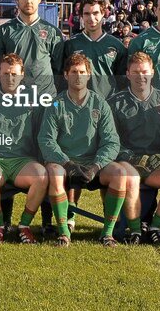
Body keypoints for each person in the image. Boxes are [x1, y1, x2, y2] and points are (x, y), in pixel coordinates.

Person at [38, 53, 130, 247]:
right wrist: (67, 164)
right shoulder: (56, 104)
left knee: (120, 173)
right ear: (65, 75)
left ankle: (107, 234)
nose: (78, 76)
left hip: (93, 163)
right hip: (65, 162)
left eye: (82, 72)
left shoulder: (100, 103)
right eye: (73, 72)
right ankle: (63, 233)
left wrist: (96, 166)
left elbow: (111, 141)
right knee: (54, 173)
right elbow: (46, 140)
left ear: (89, 75)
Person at [109, 52, 160, 244]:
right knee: (132, 177)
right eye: (135, 72)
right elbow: (109, 139)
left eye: (144, 71)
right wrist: (128, 156)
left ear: (152, 73)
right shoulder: (115, 103)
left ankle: (155, 227)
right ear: (128, 74)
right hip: (128, 163)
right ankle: (135, 231)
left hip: (156, 163)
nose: (140, 76)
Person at [0, 53, 50, 244]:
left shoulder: (33, 100)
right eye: (6, 73)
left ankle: (24, 226)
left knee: (41, 176)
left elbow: (44, 131)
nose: (10, 78)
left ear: (22, 74)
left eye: (15, 74)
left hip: (22, 160)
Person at [0, 0, 63, 97]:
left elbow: (58, 69)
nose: (28, 1)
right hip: (15, 99)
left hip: (44, 98)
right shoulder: (3, 31)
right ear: (17, 0)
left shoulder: (53, 32)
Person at [60, 0, 127, 99]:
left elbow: (123, 81)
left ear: (103, 14)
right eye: (87, 14)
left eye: (95, 13)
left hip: (109, 104)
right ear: (81, 16)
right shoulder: (71, 45)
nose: (91, 18)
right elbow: (63, 80)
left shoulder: (116, 46)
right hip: (79, 104)